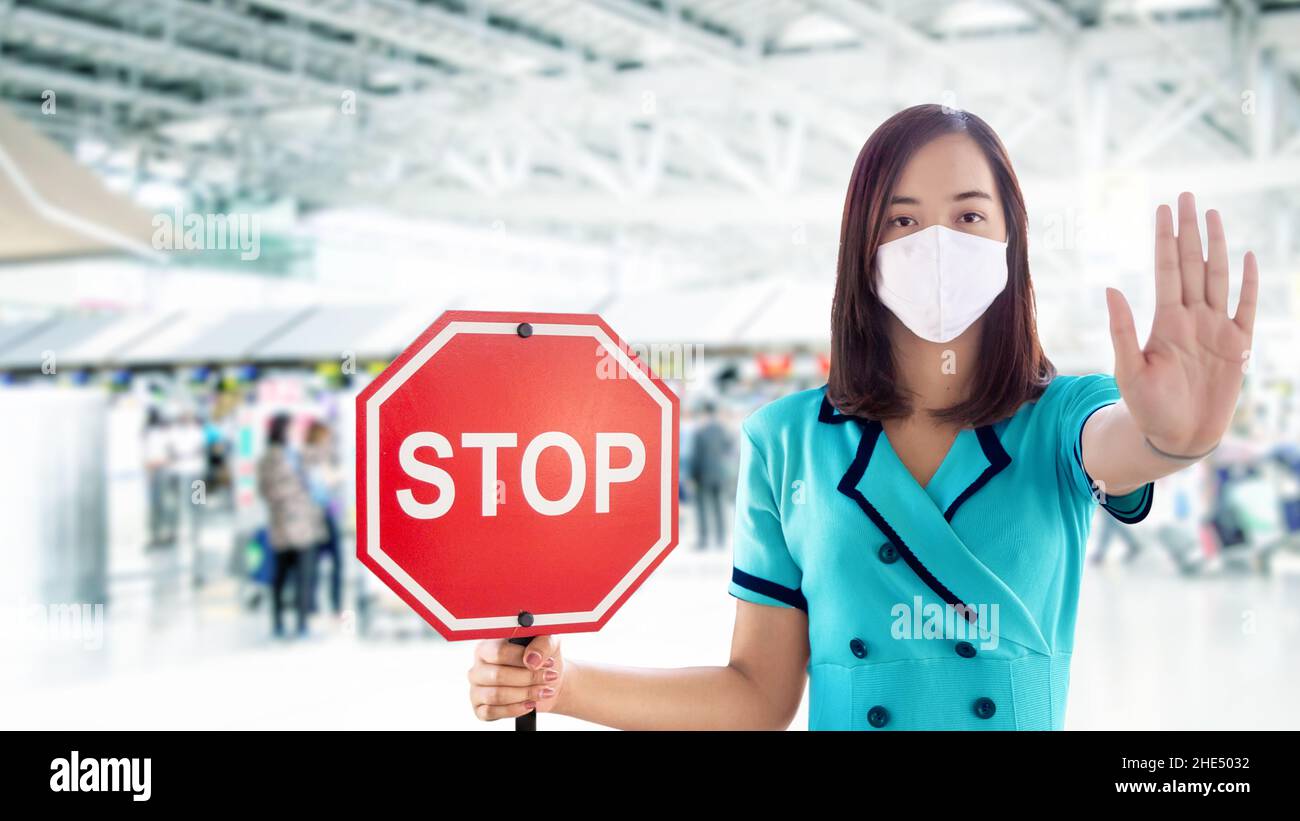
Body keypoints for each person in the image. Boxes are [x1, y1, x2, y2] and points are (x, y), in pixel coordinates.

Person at [465, 104, 1260, 729]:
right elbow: (756, 696)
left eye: (970, 216)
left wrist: (1177, 436)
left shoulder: (1059, 419)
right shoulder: (785, 443)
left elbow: (1123, 445)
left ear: (1012, 243)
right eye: (902, 219)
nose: (936, 242)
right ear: (861, 247)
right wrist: (566, 684)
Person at [256, 413, 326, 638]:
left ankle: (300, 624)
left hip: (302, 523)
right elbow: (268, 490)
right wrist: (292, 496)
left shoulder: (297, 453)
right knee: (283, 576)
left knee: (302, 576)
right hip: (285, 524)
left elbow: (318, 458)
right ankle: (282, 624)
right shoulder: (271, 458)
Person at [301, 419, 344, 617]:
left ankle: (313, 604)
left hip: (315, 514)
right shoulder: (315, 457)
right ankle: (332, 604)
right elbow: (323, 483)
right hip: (320, 513)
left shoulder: (306, 456)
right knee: (333, 559)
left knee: (315, 561)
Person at [690, 401, 734, 550]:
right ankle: (720, 539)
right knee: (718, 507)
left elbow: (696, 456)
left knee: (702, 508)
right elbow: (728, 447)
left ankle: (703, 539)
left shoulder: (700, 431)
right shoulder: (722, 430)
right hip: (720, 474)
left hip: (703, 474)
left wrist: (692, 476)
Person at [142, 408, 174, 547]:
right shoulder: (151, 434)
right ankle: (158, 533)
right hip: (156, 470)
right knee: (158, 504)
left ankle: (163, 532)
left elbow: (170, 453)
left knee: (161, 503)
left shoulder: (155, 434)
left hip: (161, 470)